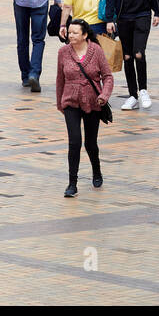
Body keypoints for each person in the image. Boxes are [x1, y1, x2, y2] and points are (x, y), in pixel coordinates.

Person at [55, 19, 113, 198]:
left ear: (85, 35)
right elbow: (60, 79)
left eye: (75, 33)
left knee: (90, 143)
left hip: (93, 102)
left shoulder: (96, 50)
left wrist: (104, 96)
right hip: (70, 101)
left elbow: (108, 77)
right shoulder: (63, 52)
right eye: (69, 32)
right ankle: (72, 183)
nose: (71, 35)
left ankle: (97, 171)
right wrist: (60, 103)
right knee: (74, 142)